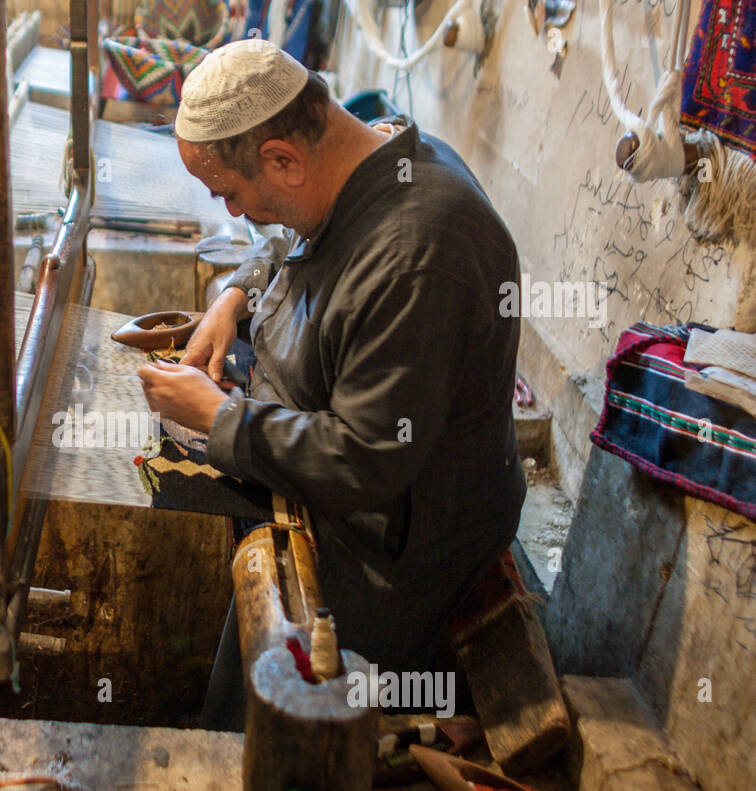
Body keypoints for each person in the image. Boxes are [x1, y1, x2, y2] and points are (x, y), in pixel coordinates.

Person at [136, 39, 526, 729]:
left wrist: (220, 417)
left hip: (392, 549)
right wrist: (235, 296)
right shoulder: (362, 158)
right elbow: (291, 239)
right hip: (342, 485)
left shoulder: (417, 256)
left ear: (284, 158)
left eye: (231, 194)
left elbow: (367, 456)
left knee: (300, 727)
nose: (233, 213)